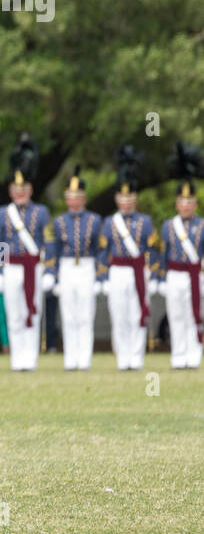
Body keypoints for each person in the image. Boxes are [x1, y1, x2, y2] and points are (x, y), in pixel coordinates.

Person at [0, 133, 52, 372]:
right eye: (16, 188)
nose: (20, 192)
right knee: (13, 313)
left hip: (34, 266)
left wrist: (49, 270)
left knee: (32, 312)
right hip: (12, 267)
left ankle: (30, 357)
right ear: (10, 190)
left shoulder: (42, 212)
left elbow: (48, 242)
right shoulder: (3, 213)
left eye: (23, 187)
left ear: (30, 189)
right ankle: (17, 358)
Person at [97, 144, 158, 371]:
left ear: (135, 197)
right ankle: (122, 356)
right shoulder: (109, 222)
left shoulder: (145, 221)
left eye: (129, 196)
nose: (126, 201)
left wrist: (153, 273)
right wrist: (102, 277)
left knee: (137, 313)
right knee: (119, 314)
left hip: (138, 270)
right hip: (118, 270)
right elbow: (104, 251)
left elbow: (152, 250)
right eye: (122, 196)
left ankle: (136, 356)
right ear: (116, 198)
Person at [48, 166, 102, 371]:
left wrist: (100, 275)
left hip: (86, 266)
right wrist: (53, 275)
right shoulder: (59, 221)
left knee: (85, 315)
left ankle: (84, 358)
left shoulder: (94, 220)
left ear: (84, 198)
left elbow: (99, 249)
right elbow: (54, 250)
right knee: (69, 315)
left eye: (77, 196)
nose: (74, 200)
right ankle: (70, 358)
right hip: (67, 266)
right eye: (70, 196)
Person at [158, 142, 204, 370]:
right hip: (175, 274)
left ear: (195, 204)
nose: (186, 206)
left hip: (196, 275)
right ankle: (178, 354)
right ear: (176, 204)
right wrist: (159, 278)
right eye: (182, 202)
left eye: (189, 202)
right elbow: (162, 253)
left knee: (195, 314)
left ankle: (194, 354)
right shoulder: (168, 226)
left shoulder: (202, 224)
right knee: (175, 315)